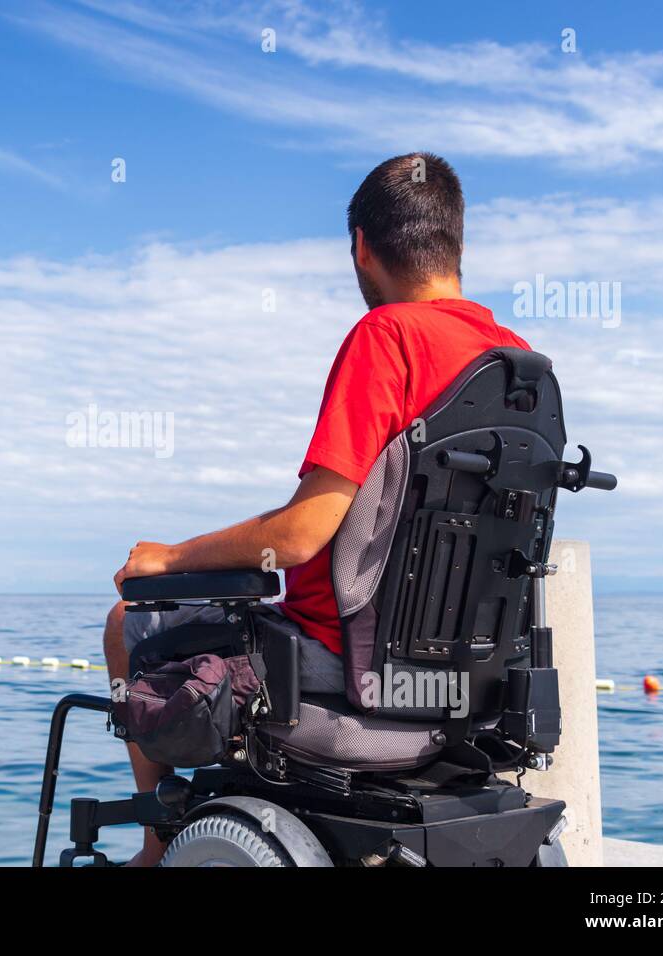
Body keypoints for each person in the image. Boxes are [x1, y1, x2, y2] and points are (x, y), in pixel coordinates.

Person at [103, 152, 531, 866]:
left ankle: (156, 844)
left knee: (127, 621)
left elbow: (302, 534)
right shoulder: (514, 364)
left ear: (361, 245)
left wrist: (171, 558)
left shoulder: (388, 337)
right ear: (456, 242)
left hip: (337, 661)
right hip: (463, 683)